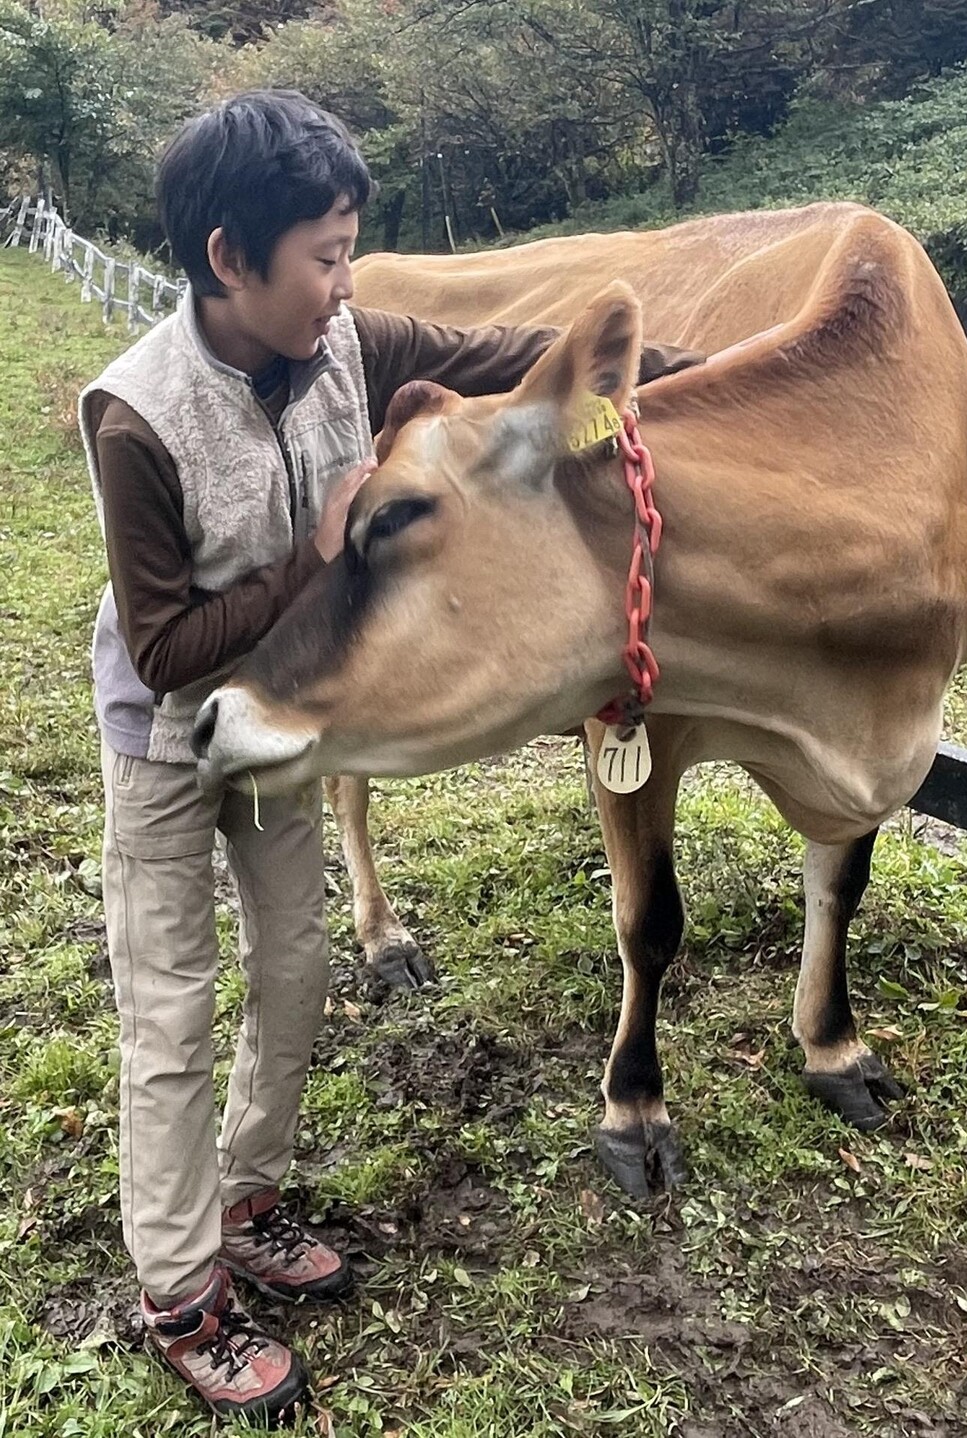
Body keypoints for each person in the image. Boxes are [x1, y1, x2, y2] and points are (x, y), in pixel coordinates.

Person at [79, 88, 704, 1424]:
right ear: (228, 260)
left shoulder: (347, 343)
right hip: (172, 735)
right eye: (322, 254)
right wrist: (316, 556)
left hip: (292, 712)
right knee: (172, 1006)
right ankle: (180, 1285)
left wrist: (714, 372)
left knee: (297, 969)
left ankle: (246, 1195)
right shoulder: (135, 417)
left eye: (351, 250)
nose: (344, 282)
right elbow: (168, 642)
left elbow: (506, 354)